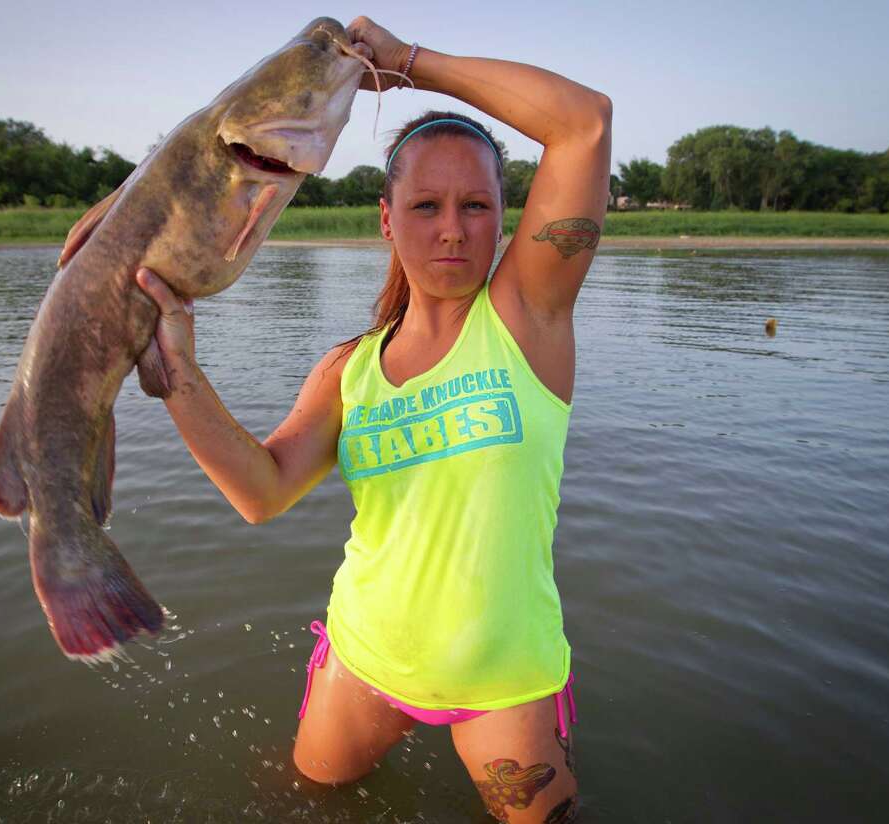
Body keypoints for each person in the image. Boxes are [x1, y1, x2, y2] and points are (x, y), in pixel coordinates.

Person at [134, 16, 611, 824]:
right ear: (387, 222)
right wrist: (177, 369)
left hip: (503, 681)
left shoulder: (529, 317)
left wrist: (410, 65)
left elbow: (583, 124)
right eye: (426, 205)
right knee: (303, 803)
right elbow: (263, 491)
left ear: (506, 218)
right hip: (365, 661)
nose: (453, 228)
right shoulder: (348, 370)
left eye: (476, 205)